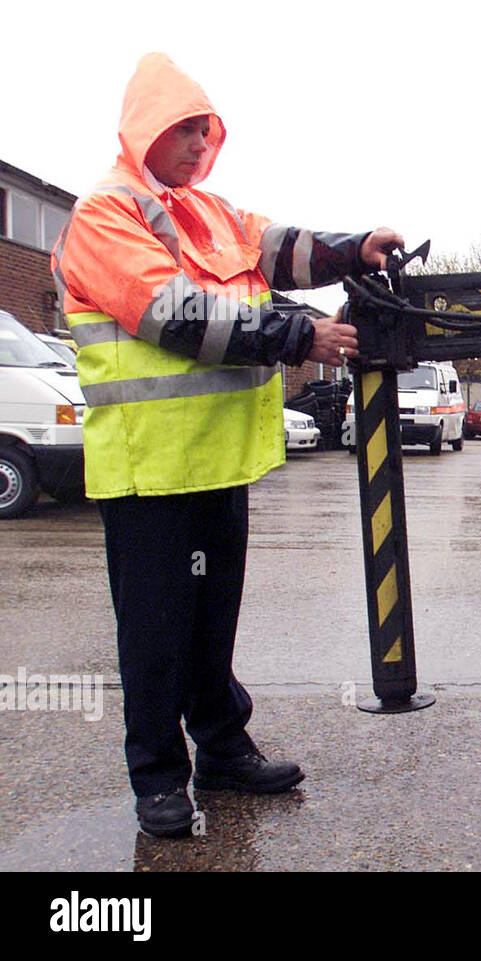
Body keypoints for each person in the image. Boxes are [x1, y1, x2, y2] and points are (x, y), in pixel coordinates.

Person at [50, 52, 403, 838]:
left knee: (210, 622)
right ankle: (158, 779)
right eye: (183, 132)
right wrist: (298, 334)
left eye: (204, 132)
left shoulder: (205, 210)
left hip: (214, 462)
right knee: (155, 633)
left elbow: (277, 246)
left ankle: (221, 747)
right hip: (147, 469)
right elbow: (177, 316)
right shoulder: (108, 214)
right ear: (147, 130)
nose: (196, 145)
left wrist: (354, 249)